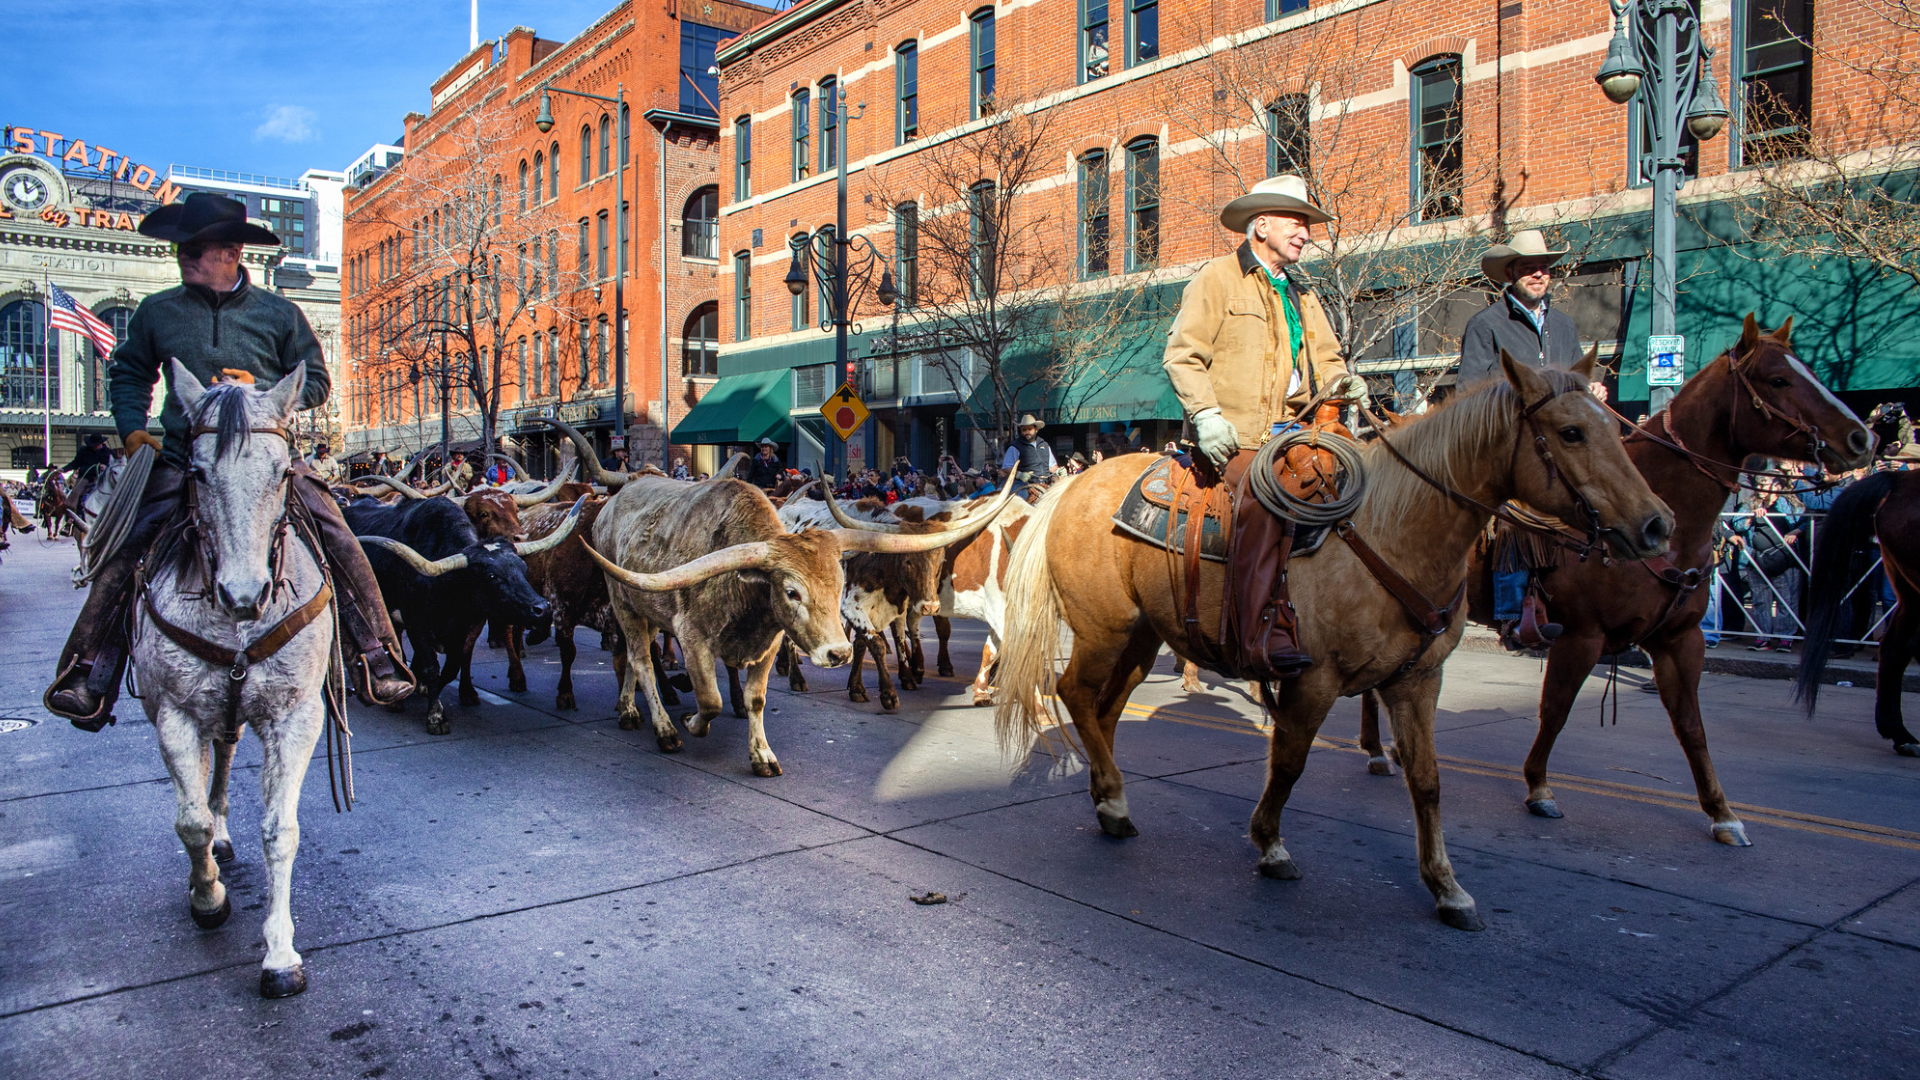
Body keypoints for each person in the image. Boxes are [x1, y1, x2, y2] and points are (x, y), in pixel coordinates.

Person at [44, 191, 414, 730]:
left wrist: (261, 390)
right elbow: (128, 373)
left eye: (197, 247)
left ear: (232, 252)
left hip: (266, 459)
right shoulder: (157, 312)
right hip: (184, 460)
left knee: (337, 533)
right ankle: (88, 670)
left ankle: (377, 655)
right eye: (182, 248)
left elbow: (316, 381)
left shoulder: (279, 313)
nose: (184, 256)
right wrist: (131, 431)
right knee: (129, 546)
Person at [1160, 174, 1362, 678]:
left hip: (1294, 435)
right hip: (1237, 439)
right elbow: (1182, 357)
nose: (1306, 234)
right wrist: (1205, 417)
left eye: (1308, 225)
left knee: (1363, 490)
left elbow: (1327, 357)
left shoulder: (1302, 291)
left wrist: (1343, 381)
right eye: (1297, 222)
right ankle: (1256, 636)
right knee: (1270, 501)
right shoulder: (1217, 278)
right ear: (1261, 224)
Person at [1457, 230, 1607, 398]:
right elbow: (1467, 396)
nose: (1538, 274)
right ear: (1510, 274)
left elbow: (1579, 382)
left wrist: (1593, 389)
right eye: (1528, 268)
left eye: (1543, 267)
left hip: (1558, 423)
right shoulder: (1485, 325)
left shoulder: (1564, 325)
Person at [1001, 414, 1058, 489]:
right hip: (1024, 486)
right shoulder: (1015, 447)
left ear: (1036, 429)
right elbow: (1006, 467)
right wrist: (1019, 474)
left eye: (1030, 429)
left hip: (1045, 484)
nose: (1027, 432)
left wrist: (1058, 471)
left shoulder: (1045, 445)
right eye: (1024, 429)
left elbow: (1052, 466)